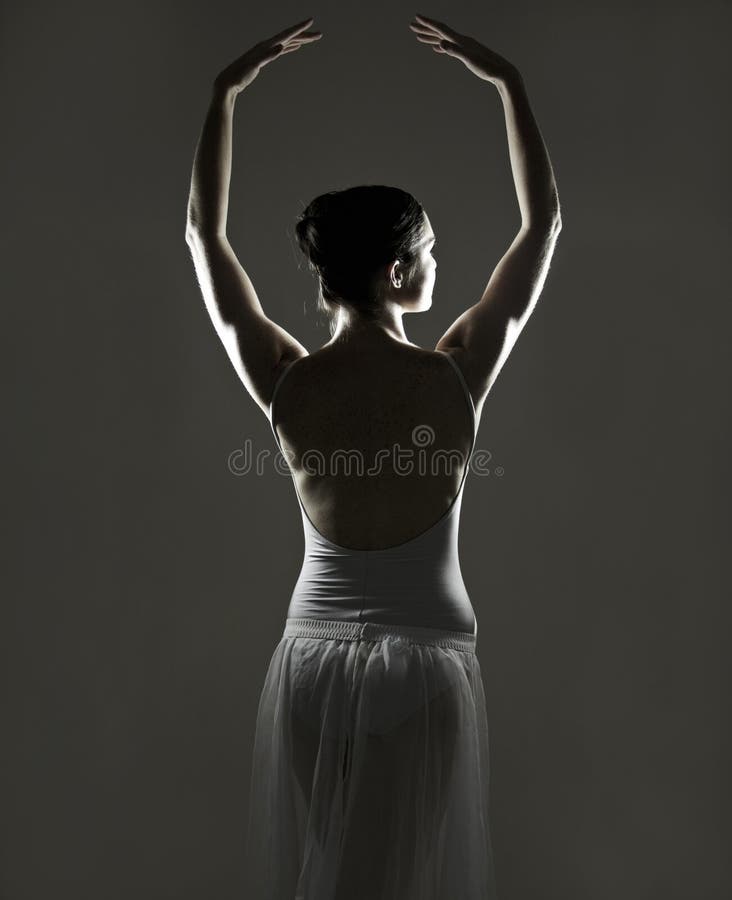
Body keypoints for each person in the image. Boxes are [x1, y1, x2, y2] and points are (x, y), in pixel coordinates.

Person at [185, 14, 561, 900]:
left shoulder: (287, 379)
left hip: (311, 662)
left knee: (336, 874)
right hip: (425, 664)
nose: (438, 261)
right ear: (396, 272)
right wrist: (508, 83)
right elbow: (542, 226)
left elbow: (205, 238)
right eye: (428, 250)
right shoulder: (456, 373)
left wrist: (222, 95)